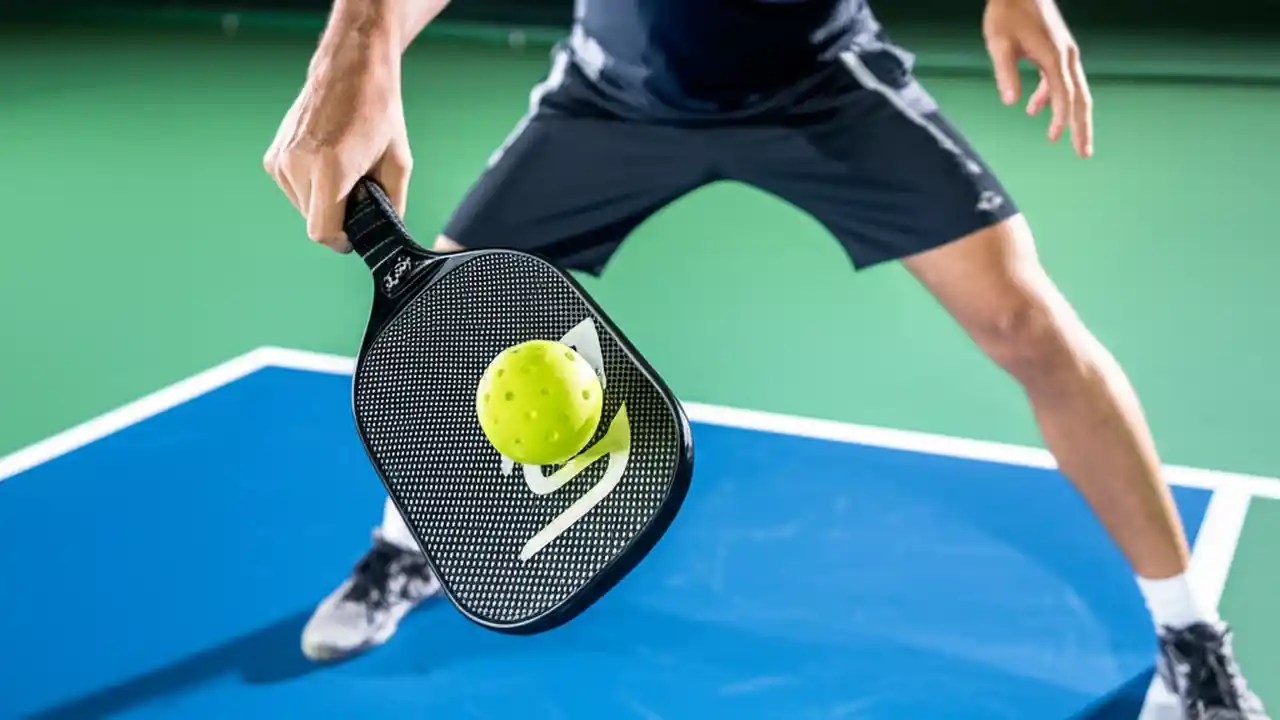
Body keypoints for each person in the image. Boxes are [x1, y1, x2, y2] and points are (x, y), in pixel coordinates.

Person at [263, 0, 1268, 716]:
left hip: (821, 85)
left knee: (1025, 324)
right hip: (612, 94)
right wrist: (362, 39)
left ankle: (1189, 640)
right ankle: (412, 550)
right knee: (450, 330)